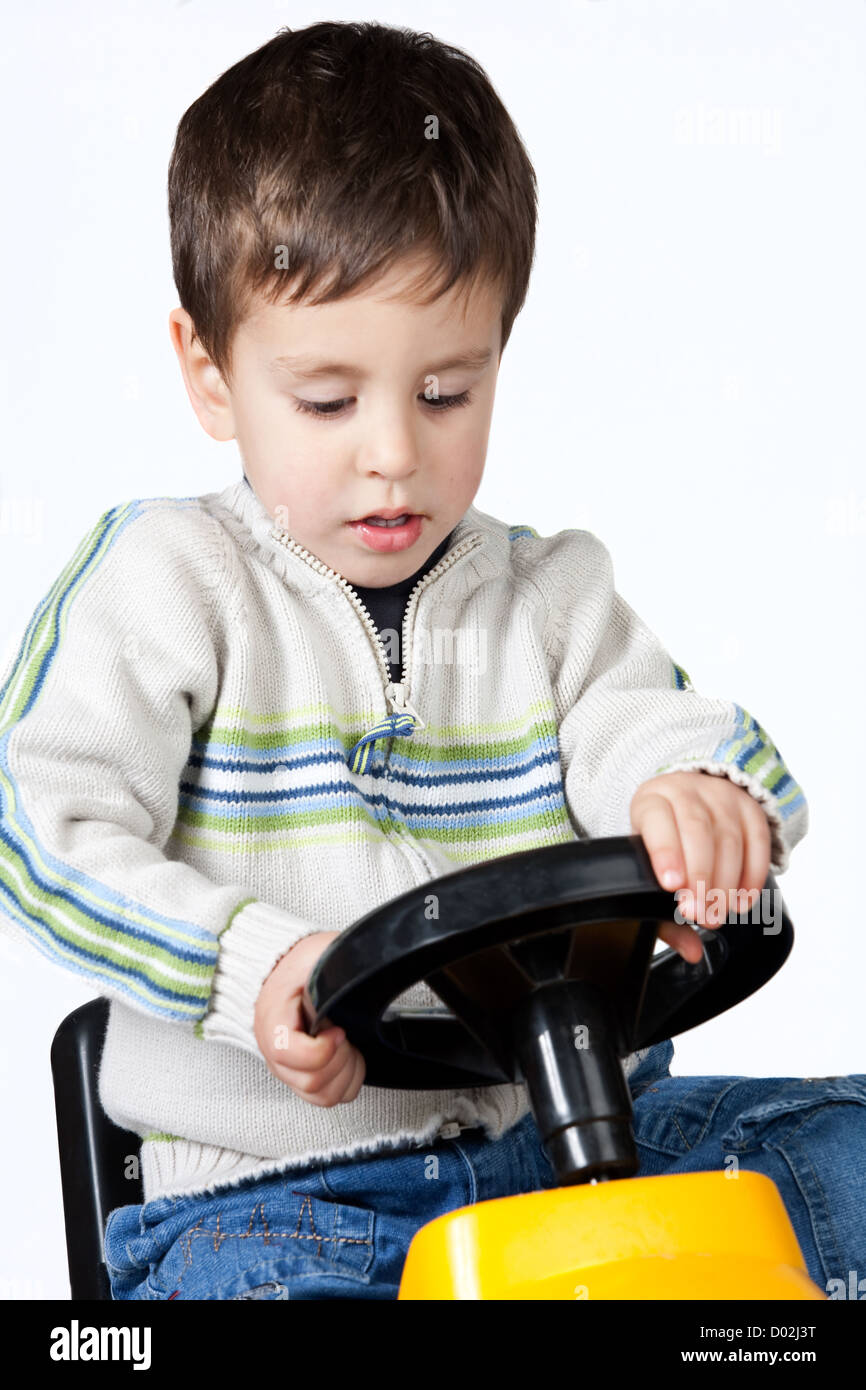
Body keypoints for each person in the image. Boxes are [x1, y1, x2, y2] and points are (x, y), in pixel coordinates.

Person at [1, 21, 863, 1302]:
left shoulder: (551, 592)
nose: (394, 453)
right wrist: (252, 966)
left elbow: (650, 723)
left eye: (446, 392)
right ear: (210, 372)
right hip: (286, 1203)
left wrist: (696, 798)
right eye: (329, 401)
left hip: (584, 1157)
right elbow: (37, 823)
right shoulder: (167, 583)